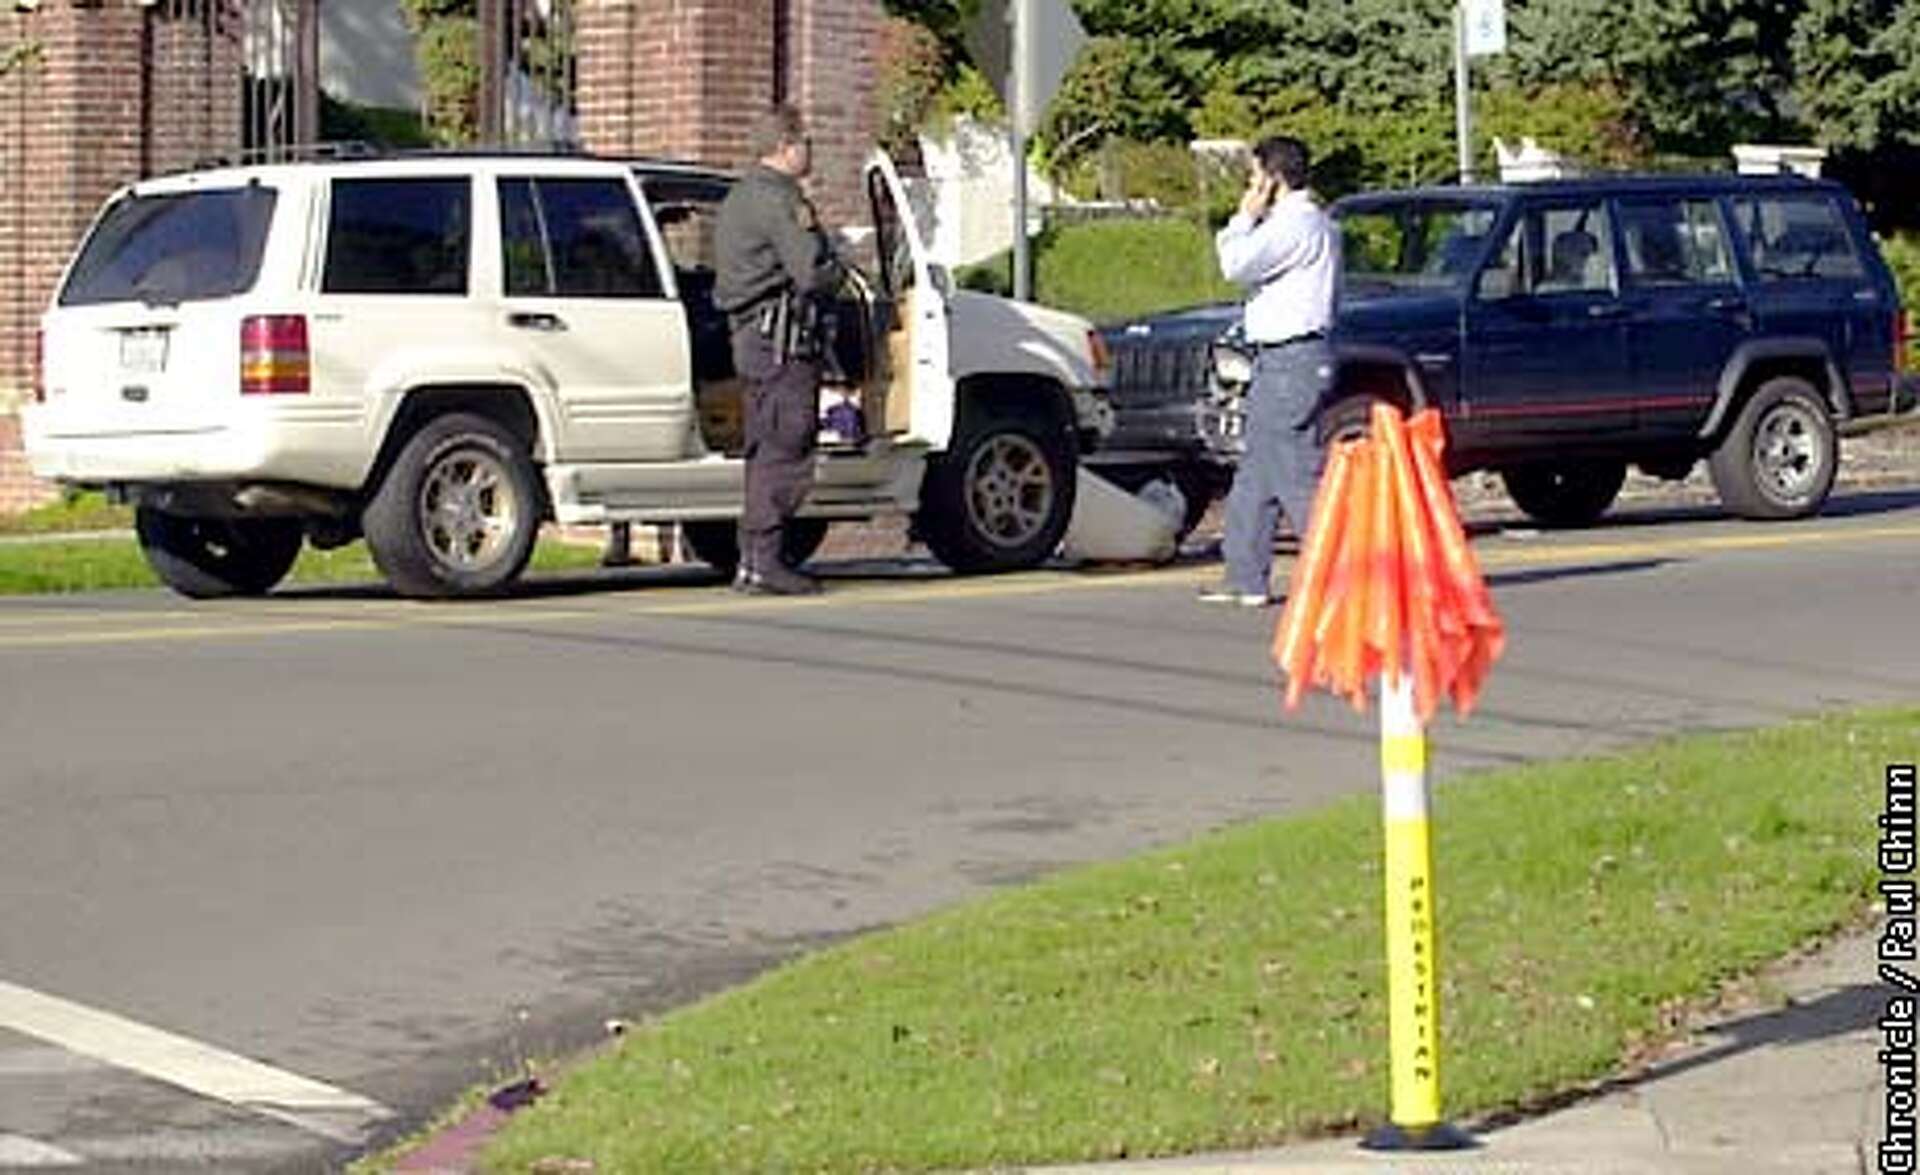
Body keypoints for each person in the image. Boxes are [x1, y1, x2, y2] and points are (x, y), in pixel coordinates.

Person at [1200, 135, 1340, 607]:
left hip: (1290, 358)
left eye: (1256, 177)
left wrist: (1244, 216)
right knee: (1257, 471)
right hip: (1280, 358)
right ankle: (1245, 575)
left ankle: (1338, 578)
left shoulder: (1295, 225)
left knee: (1294, 471)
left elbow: (1235, 263)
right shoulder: (1309, 224)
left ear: (1274, 179)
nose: (1251, 185)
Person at [712, 105, 842, 595]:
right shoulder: (782, 199)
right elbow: (811, 272)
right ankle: (765, 561)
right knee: (787, 445)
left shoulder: (739, 196)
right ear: (786, 147)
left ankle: (753, 561)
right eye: (805, 141)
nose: (810, 150)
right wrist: (839, 267)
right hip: (781, 340)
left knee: (764, 446)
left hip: (750, 337)